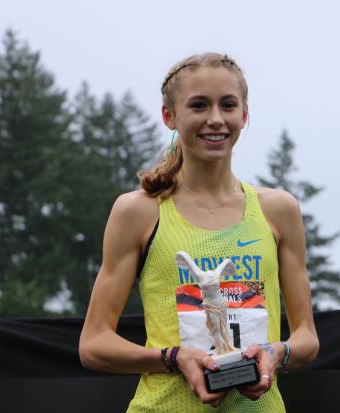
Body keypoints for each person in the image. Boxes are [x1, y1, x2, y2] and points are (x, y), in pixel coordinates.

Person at [79, 53, 319, 412]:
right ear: (169, 116)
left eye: (228, 105)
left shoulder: (279, 210)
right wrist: (173, 358)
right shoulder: (138, 212)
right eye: (199, 105)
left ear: (244, 115)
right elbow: (93, 344)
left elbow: (307, 339)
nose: (216, 119)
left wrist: (275, 352)